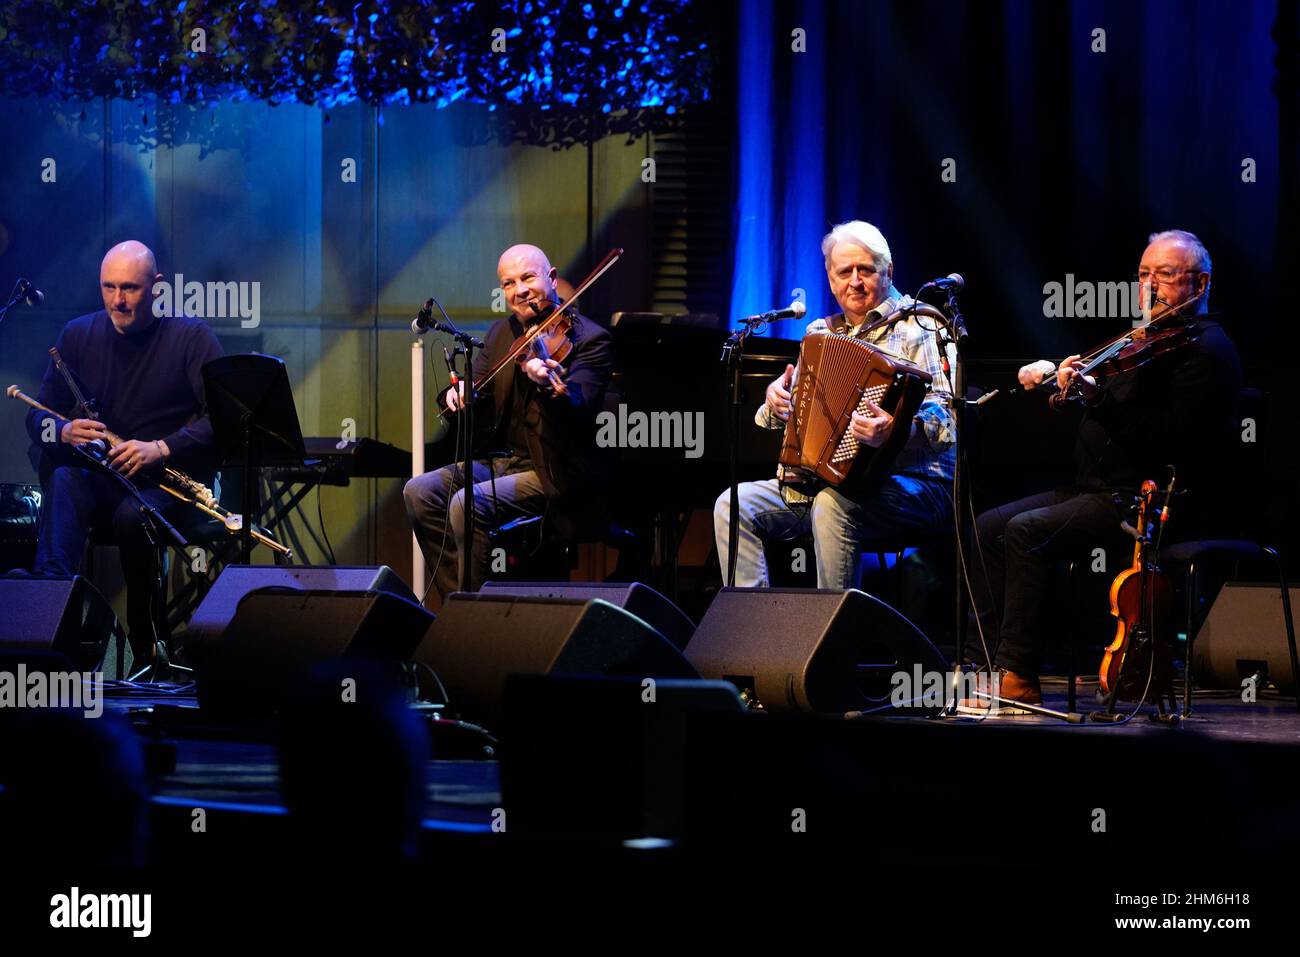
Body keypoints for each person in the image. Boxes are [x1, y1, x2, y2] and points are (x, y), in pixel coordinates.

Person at [972, 230, 1242, 705]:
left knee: (1024, 532)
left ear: (1199, 284)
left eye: (1164, 275)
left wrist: (1096, 396)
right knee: (988, 526)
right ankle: (984, 665)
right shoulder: (1148, 340)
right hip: (1095, 489)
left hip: (1147, 501)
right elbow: (1109, 400)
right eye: (1142, 275)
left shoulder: (1206, 353)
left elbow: (1163, 440)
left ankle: (1018, 675)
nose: (1149, 287)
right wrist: (1066, 377)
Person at [713, 220, 956, 589]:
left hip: (916, 485)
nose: (855, 281)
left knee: (832, 505)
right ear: (830, 278)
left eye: (866, 270)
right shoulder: (820, 334)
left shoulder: (922, 326)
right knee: (733, 505)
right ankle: (754, 629)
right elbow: (791, 417)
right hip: (827, 486)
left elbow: (949, 417)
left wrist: (897, 430)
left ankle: (836, 640)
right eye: (845, 271)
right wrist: (775, 403)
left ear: (888, 271)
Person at [24, 241, 223, 666]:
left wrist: (161, 448)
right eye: (109, 287)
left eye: (130, 288)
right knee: (63, 480)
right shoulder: (77, 335)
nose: (118, 300)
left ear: (158, 287)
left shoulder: (192, 338)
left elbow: (221, 421)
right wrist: (63, 431)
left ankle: (147, 646)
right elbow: (36, 419)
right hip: (104, 480)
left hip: (171, 483)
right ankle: (47, 626)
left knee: (134, 517)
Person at [404, 244, 614, 601]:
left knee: (467, 503)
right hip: (504, 461)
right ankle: (461, 601)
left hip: (554, 470)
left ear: (550, 277)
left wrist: (549, 383)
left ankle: (474, 611)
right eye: (508, 283)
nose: (520, 290)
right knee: (420, 491)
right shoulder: (503, 333)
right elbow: (478, 384)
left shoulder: (590, 339)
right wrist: (457, 394)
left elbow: (581, 404)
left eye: (528, 278)